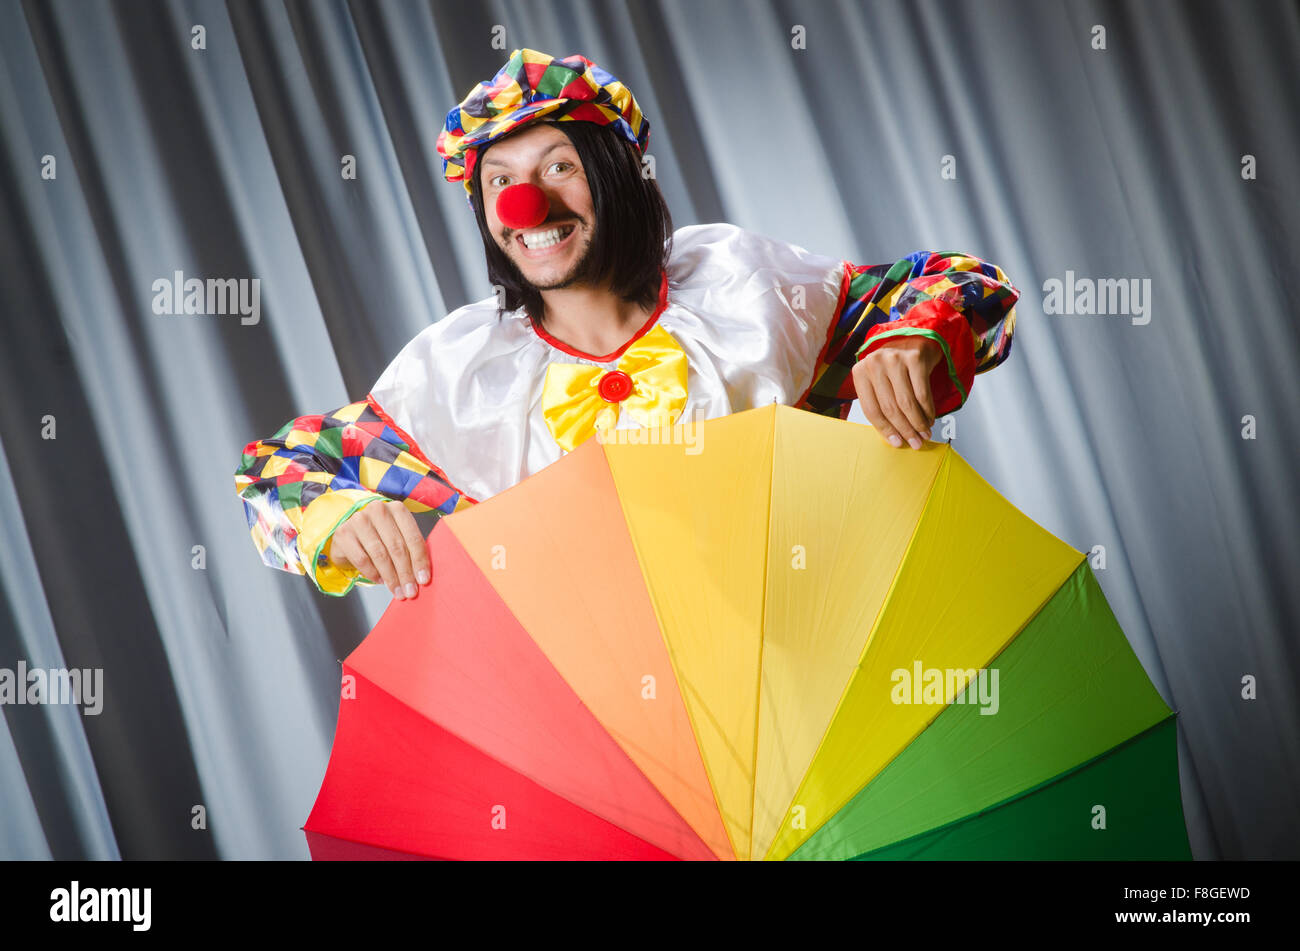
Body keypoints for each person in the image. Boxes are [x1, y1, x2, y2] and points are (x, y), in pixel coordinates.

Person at [234, 49, 1020, 601]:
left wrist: (910, 334)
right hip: (610, 737)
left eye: (557, 168)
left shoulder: (746, 295)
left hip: (810, 668)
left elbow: (961, 284)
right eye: (499, 182)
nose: (524, 206)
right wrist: (342, 514)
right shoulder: (463, 380)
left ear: (617, 177)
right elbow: (279, 469)